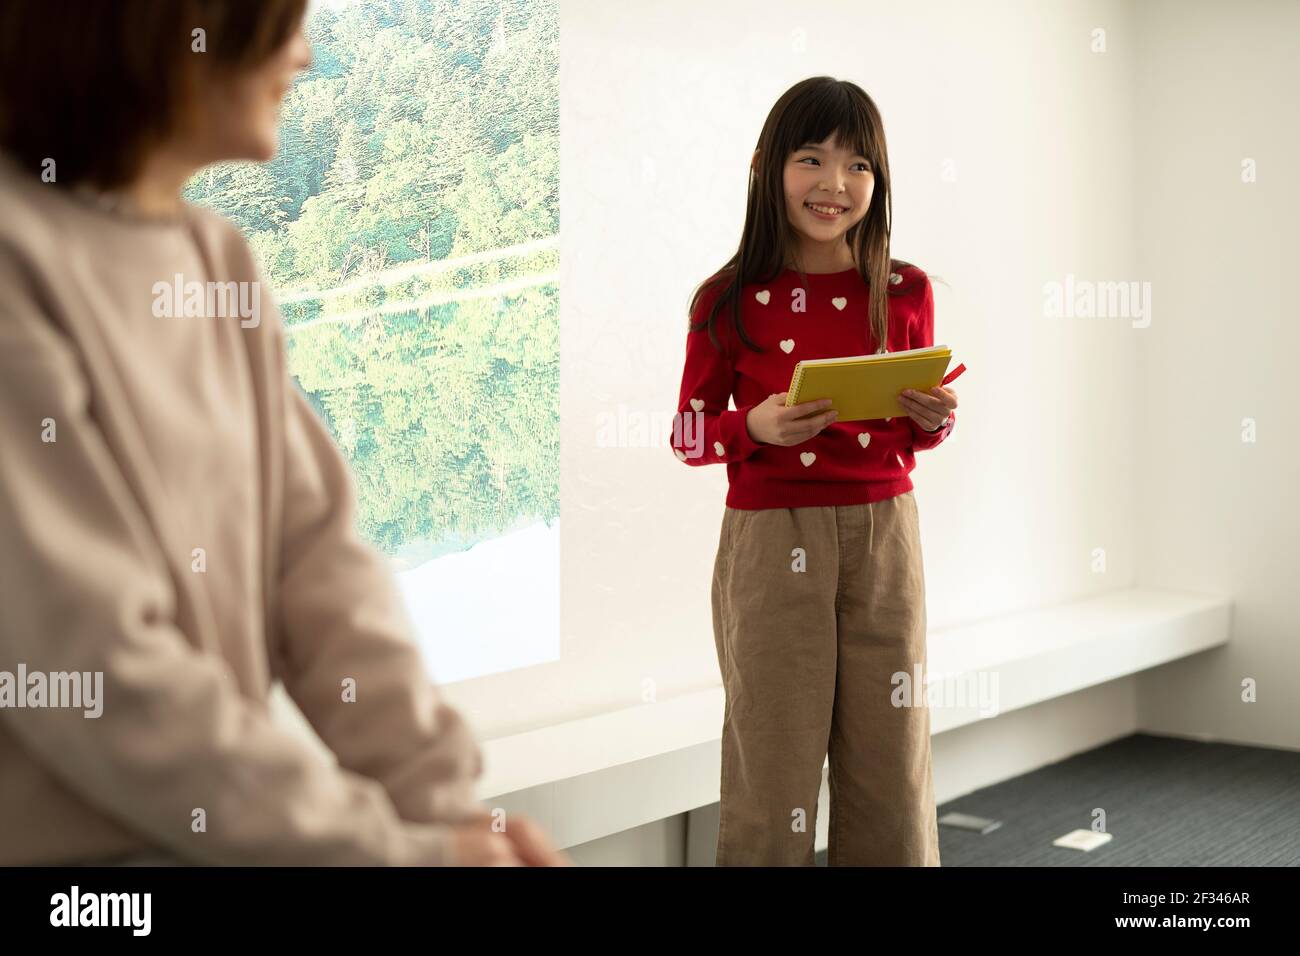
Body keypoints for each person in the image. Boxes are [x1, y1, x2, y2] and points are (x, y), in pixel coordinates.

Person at [0, 0, 564, 866]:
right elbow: (98, 673)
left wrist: (453, 813)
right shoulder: (18, 263)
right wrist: (401, 853)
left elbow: (321, 573)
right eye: (280, 22)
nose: (303, 54)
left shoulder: (217, 259)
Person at [669, 76, 960, 866]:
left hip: (885, 537)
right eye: (812, 160)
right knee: (774, 761)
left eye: (859, 166)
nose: (836, 185)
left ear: (880, 180)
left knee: (891, 759)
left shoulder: (905, 289)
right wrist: (751, 426)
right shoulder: (726, 299)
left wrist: (932, 419)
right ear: (767, 168)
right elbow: (689, 435)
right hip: (771, 541)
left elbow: (913, 427)